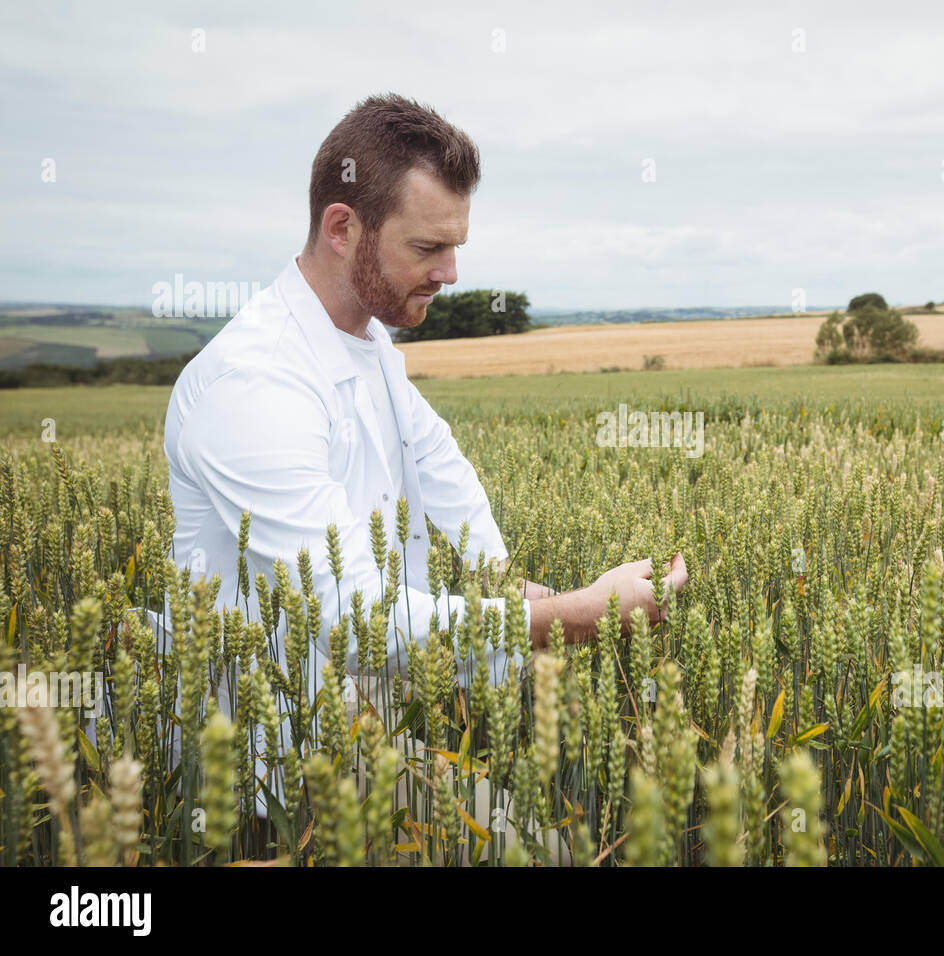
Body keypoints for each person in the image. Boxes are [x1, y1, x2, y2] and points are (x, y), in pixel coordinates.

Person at [147, 92, 688, 857]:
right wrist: (570, 616)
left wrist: (518, 585)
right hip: (266, 772)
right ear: (344, 228)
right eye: (429, 246)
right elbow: (353, 618)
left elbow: (442, 470)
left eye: (456, 246)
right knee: (544, 853)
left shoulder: (364, 345)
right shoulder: (254, 383)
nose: (452, 271)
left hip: (360, 732)